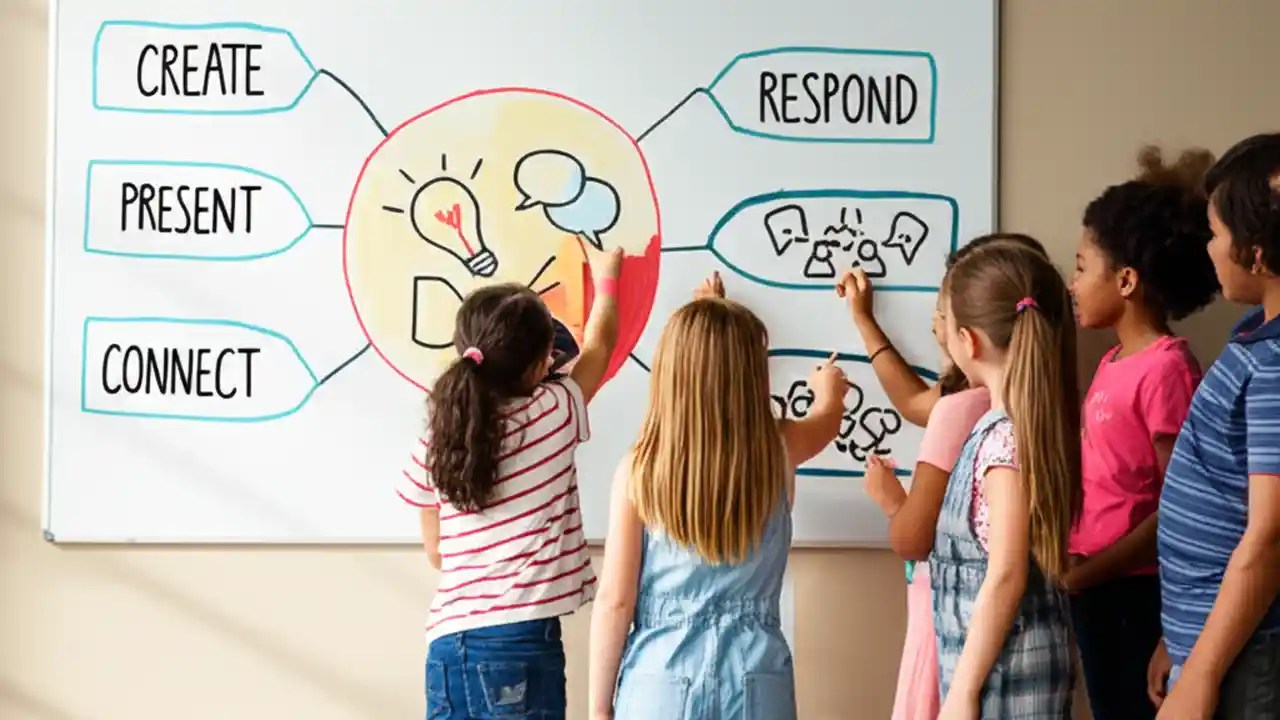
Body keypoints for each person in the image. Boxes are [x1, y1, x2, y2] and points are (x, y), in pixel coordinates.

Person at [587, 273, 846, 720]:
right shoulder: (780, 447)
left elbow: (615, 599)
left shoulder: (640, 466)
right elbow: (827, 418)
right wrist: (829, 390)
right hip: (756, 678)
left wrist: (597, 710)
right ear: (753, 373)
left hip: (660, 678)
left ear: (670, 374)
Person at [397, 249, 623, 720]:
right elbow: (599, 347)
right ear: (541, 364)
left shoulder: (437, 436)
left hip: (446, 643)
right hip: (518, 641)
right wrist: (606, 281)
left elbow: (437, 551)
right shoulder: (553, 411)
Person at [840, 232, 1048, 720]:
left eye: (943, 311)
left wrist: (892, 500)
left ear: (967, 335)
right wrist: (865, 320)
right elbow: (914, 401)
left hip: (956, 632)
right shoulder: (1031, 406)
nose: (935, 322)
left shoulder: (971, 416)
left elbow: (916, 538)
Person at [1064, 146, 1220, 720]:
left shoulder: (1167, 368)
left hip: (1135, 590)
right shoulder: (1111, 363)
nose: (1073, 282)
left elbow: (1181, 505)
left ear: (1125, 280)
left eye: (1082, 267)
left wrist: (1089, 572)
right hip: (1097, 586)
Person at [1151, 132, 1280, 719]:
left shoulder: (1276, 366)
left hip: (1245, 654)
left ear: (1256, 252)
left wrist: (1201, 672)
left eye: (1215, 233)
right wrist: (1179, 640)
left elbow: (1269, 537)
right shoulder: (1255, 336)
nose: (1208, 248)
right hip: (1208, 635)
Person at [931, 242, 1081, 718]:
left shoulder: (1004, 442)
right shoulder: (1015, 426)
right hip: (1008, 667)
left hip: (1005, 676)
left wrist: (962, 692)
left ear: (968, 341)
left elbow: (1007, 575)